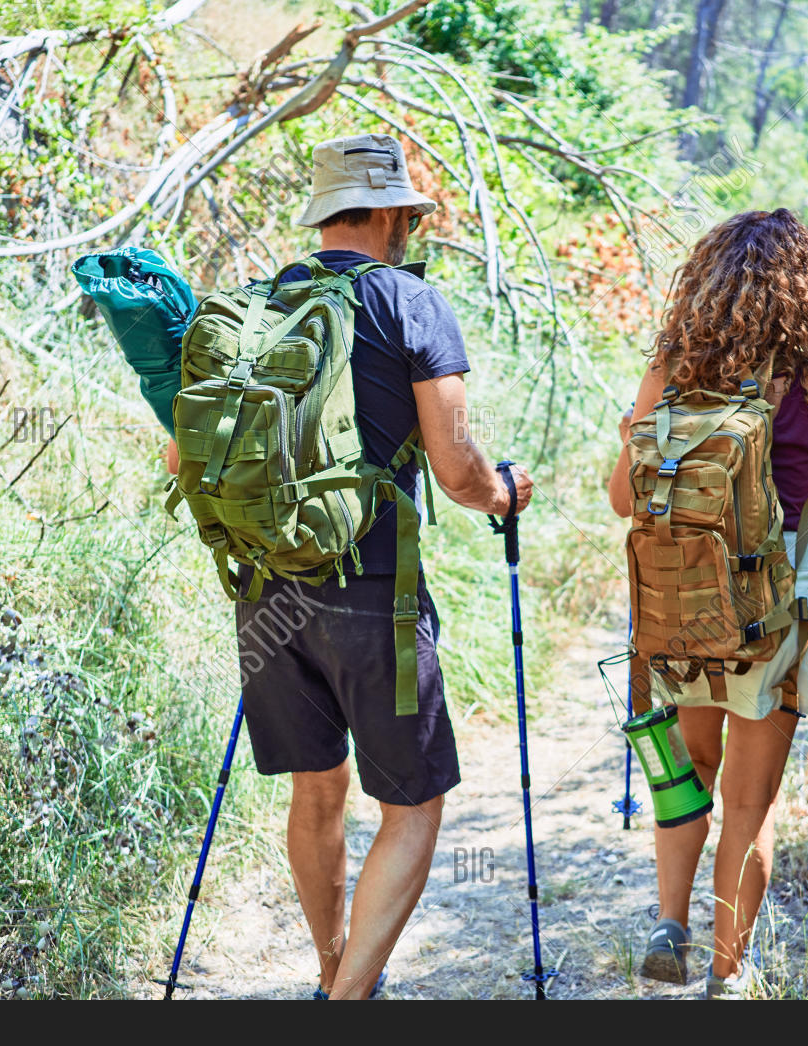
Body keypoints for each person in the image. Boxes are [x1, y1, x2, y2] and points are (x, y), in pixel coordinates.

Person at [166, 134, 533, 999]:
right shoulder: (410, 302)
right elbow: (457, 469)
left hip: (262, 588)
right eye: (404, 213)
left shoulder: (259, 305)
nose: (408, 226)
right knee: (411, 806)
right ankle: (348, 997)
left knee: (316, 785)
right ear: (384, 214)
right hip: (372, 595)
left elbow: (187, 457)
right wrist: (507, 492)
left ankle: (335, 966)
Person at [607, 209, 808, 998]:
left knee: (687, 771)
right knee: (748, 804)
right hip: (770, 615)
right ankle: (729, 971)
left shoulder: (669, 370)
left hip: (675, 608)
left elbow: (624, 498)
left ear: (708, 284)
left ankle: (668, 924)